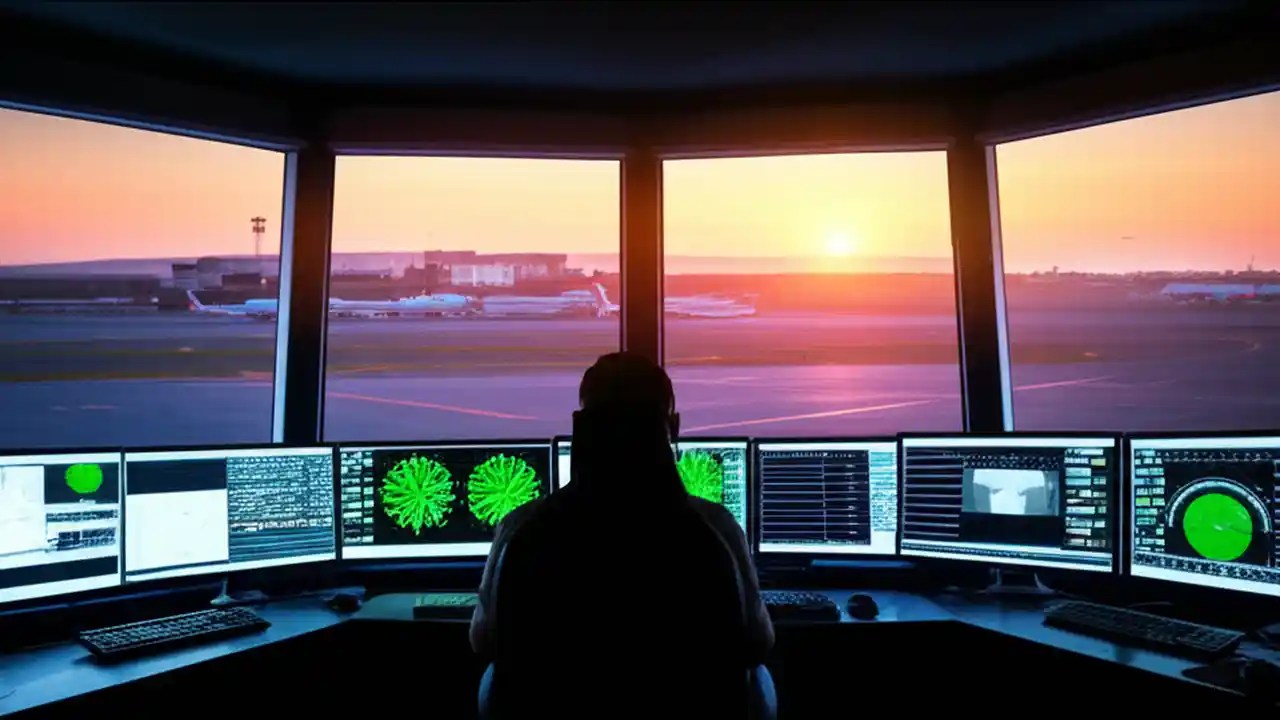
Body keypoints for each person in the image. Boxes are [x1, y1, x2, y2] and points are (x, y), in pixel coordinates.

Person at [470, 352, 775, 718]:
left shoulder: (522, 528)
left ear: (580, 425)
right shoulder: (716, 529)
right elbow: (758, 643)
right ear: (672, 427)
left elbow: (484, 640)